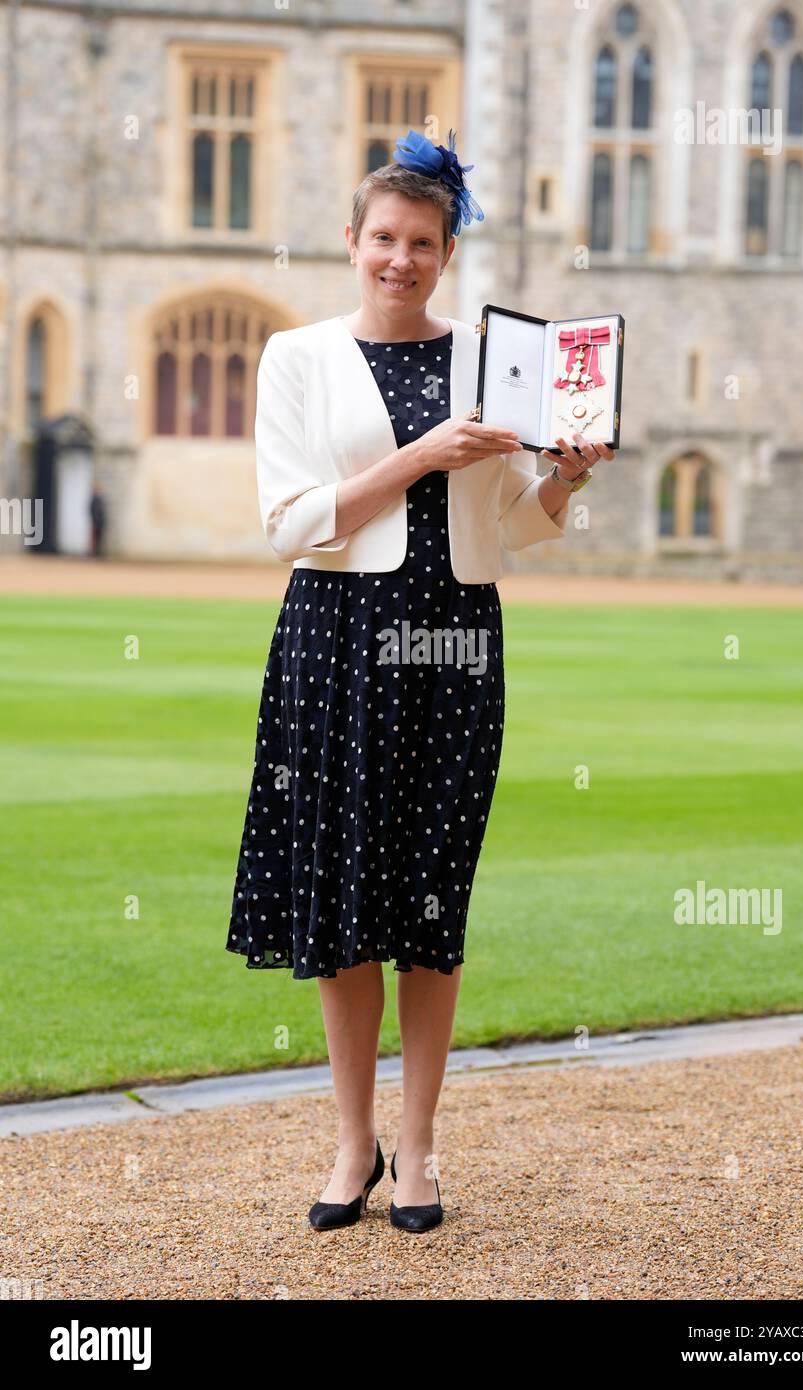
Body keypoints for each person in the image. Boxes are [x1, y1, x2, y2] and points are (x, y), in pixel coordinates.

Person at [225, 127, 614, 1233]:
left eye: (422, 241)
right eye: (382, 238)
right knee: (342, 903)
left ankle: (422, 1150)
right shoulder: (295, 358)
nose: (400, 257)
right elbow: (287, 522)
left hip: (454, 643)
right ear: (351, 242)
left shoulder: (496, 359)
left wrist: (563, 482)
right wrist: (417, 455)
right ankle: (352, 1144)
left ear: (447, 251)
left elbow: (505, 531)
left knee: (430, 906)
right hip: (335, 638)